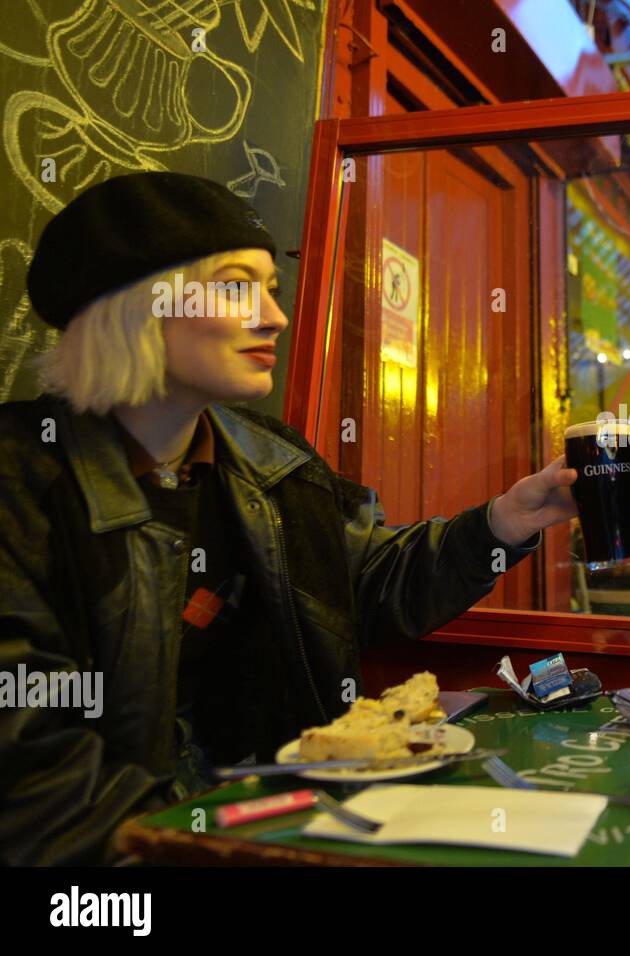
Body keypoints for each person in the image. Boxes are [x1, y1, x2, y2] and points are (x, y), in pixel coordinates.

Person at [0, 172, 579, 865]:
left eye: (273, 289)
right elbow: (32, 773)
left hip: (275, 824)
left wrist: (506, 521)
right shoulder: (22, 482)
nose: (274, 316)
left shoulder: (273, 463)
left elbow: (366, 586)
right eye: (240, 285)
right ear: (138, 307)